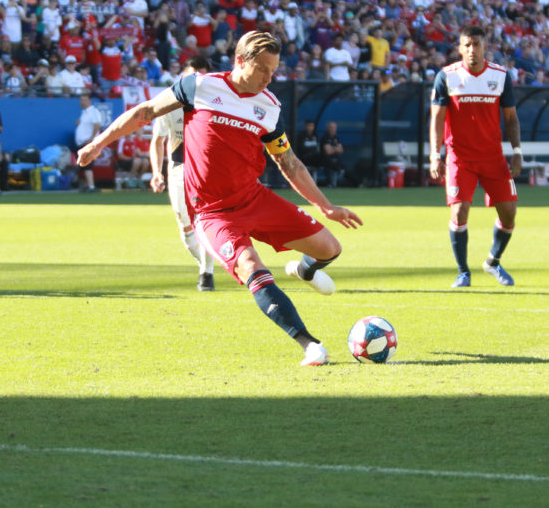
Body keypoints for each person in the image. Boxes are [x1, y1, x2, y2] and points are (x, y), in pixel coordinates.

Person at [79, 32, 362, 366]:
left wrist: (325, 206)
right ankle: (310, 345)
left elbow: (288, 162)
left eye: (273, 71)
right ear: (239, 61)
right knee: (252, 267)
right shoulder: (199, 86)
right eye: (262, 69)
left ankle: (304, 271)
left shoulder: (269, 106)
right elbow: (145, 112)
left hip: (255, 199)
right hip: (213, 214)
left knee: (330, 249)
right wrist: (99, 143)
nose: (268, 78)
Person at [429, 25, 522, 289]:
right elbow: (436, 119)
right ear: (460, 48)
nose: (472, 50)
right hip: (460, 158)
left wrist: (517, 152)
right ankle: (463, 272)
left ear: (485, 46)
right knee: (459, 211)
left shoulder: (501, 76)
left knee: (509, 213)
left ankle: (493, 261)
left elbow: (511, 119)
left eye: (477, 44)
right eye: (467, 45)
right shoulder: (446, 76)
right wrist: (435, 155)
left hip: (493, 157)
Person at [149, 56, 215, 291]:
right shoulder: (169, 102)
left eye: (201, 76)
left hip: (208, 172)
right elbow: (157, 141)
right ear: (183, 77)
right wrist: (157, 172)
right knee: (186, 230)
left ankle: (206, 274)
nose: (197, 81)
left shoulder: (217, 103)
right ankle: (205, 265)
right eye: (192, 76)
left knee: (204, 223)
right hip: (178, 171)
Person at [74, 92, 103, 193]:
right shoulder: (84, 112)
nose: (82, 102)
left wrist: (91, 139)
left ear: (89, 101)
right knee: (83, 165)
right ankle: (88, 185)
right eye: (81, 100)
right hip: (81, 143)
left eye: (85, 100)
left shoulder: (93, 111)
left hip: (88, 143)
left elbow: (97, 125)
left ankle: (91, 186)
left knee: (87, 165)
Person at [318, 121, 345, 187]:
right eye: (331, 127)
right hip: (326, 159)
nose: (333, 129)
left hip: (336, 159)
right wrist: (336, 149)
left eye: (334, 128)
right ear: (328, 128)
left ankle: (359, 183)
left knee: (344, 166)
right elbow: (328, 152)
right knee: (331, 164)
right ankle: (330, 183)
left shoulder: (336, 138)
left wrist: (332, 149)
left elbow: (341, 150)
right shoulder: (325, 138)